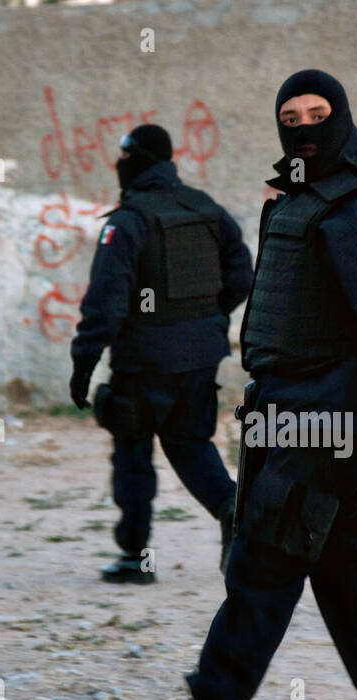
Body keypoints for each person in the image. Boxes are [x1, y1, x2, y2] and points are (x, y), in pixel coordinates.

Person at [104, 69, 357, 700]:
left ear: (343, 117)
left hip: (328, 429)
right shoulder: (298, 201)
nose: (303, 125)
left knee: (262, 573)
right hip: (293, 421)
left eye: (318, 112)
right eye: (291, 116)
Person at [69, 124, 254, 583]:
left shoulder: (128, 222)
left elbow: (105, 303)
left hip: (143, 361)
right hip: (199, 356)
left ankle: (134, 558)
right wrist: (206, 319)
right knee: (190, 443)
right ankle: (231, 508)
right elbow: (243, 276)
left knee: (132, 450)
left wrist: (83, 364)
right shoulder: (207, 209)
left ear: (134, 161)